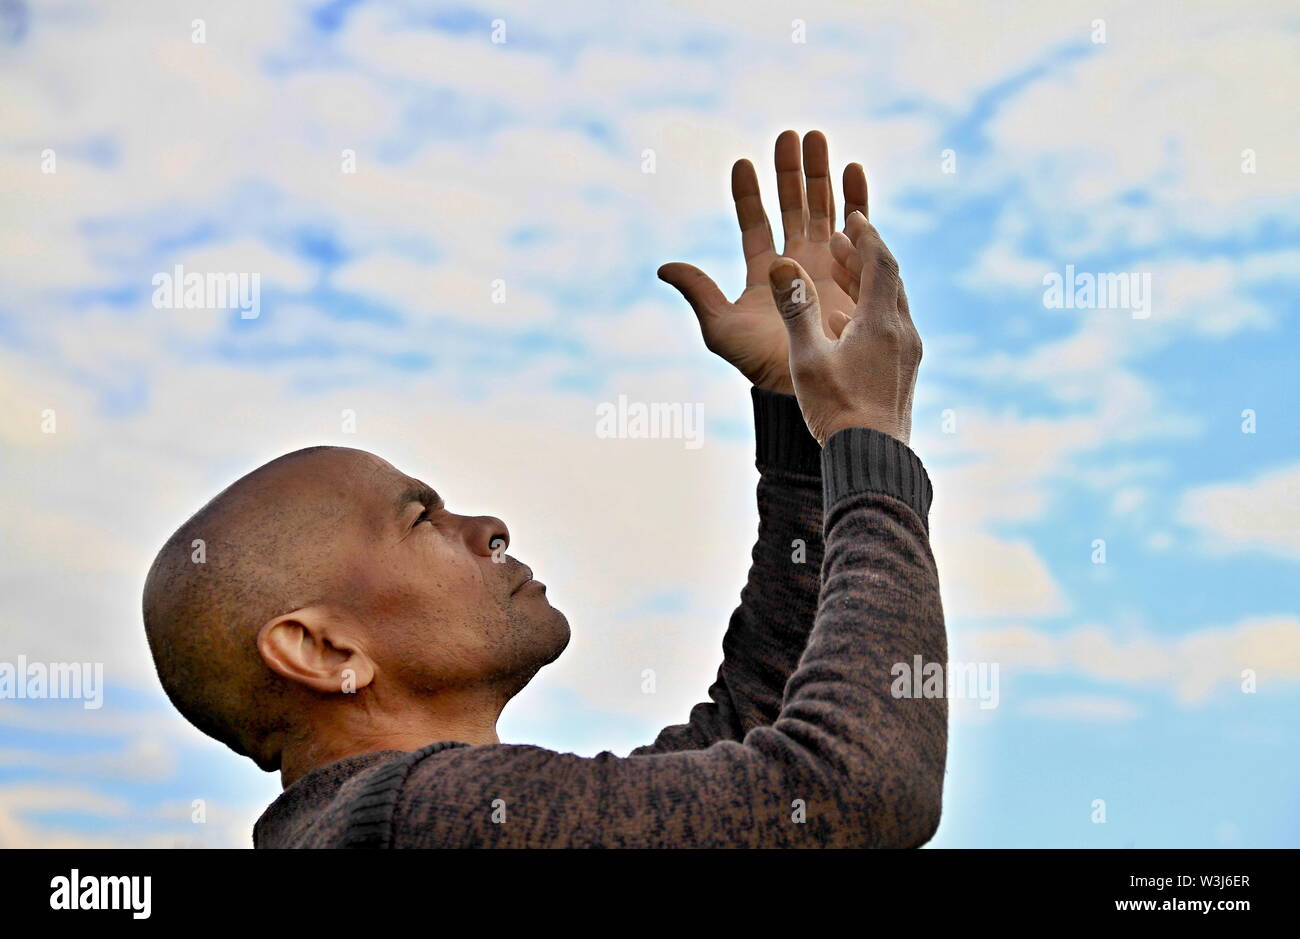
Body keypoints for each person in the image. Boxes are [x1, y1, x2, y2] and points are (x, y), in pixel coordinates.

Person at [142, 130, 946, 848]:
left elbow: (756, 732)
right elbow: (849, 788)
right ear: (322, 650)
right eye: (420, 518)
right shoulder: (417, 819)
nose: (487, 524)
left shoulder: (406, 822)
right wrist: (865, 435)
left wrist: (797, 413)